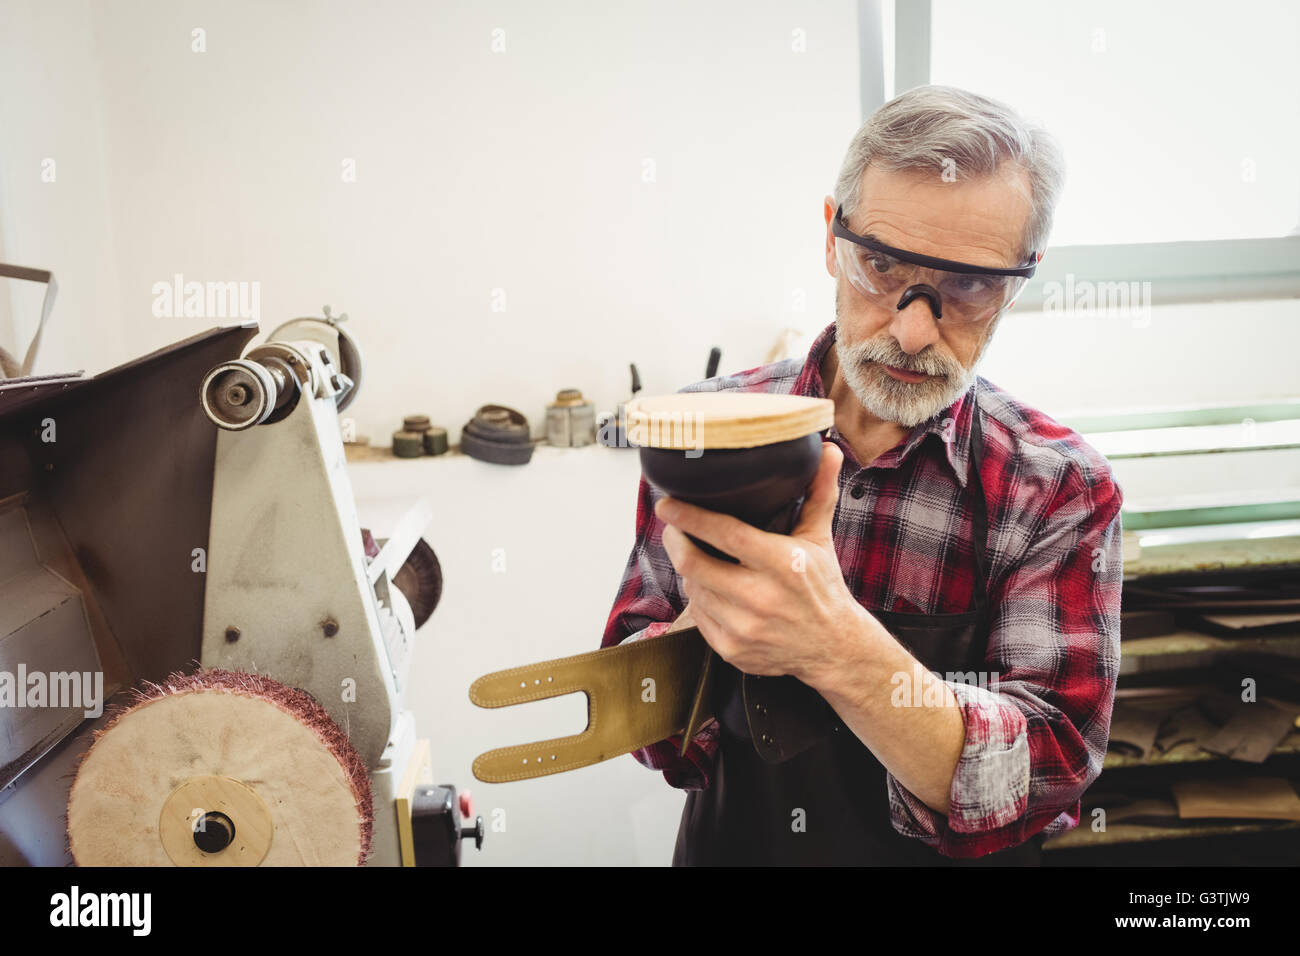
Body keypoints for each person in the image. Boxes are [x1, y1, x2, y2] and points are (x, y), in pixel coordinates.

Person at [600, 85, 1124, 865]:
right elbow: (640, 726)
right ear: (831, 240)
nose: (913, 331)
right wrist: (701, 632)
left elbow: (1048, 767)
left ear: (1019, 281)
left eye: (969, 286)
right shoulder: (704, 427)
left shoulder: (1055, 487)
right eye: (880, 265)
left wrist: (836, 648)